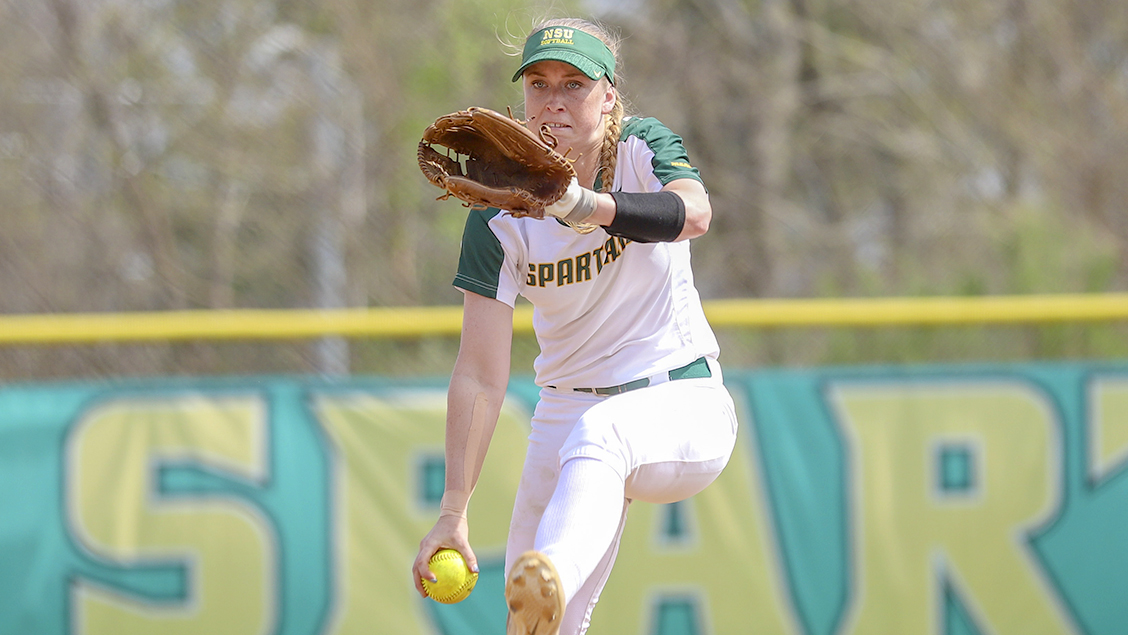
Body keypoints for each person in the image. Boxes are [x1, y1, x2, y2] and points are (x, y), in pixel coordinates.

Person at [411, 16, 739, 635]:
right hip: (564, 414)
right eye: (538, 85)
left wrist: (582, 206)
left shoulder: (639, 149)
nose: (554, 102)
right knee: (533, 626)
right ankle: (547, 590)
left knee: (603, 432)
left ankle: (553, 572)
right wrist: (454, 510)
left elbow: (695, 213)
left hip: (680, 401)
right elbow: (480, 376)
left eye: (574, 85)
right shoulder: (497, 216)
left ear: (608, 96)